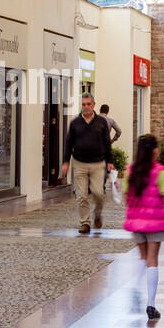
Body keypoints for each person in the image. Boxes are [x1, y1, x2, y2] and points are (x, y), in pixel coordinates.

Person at [122, 134, 164, 320]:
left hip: (136, 222)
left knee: (143, 258)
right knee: (152, 260)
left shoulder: (130, 171)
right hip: (155, 222)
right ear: (154, 150)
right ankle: (151, 304)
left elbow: (126, 196)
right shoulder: (160, 171)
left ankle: (135, 287)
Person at [62, 94, 114, 234]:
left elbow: (107, 143)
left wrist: (110, 161)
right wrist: (66, 162)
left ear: (93, 105)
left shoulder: (101, 122)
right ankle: (84, 222)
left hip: (98, 164)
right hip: (79, 163)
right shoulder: (75, 123)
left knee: (98, 193)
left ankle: (97, 213)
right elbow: (68, 143)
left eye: (88, 104)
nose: (86, 107)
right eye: (83, 104)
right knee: (81, 195)